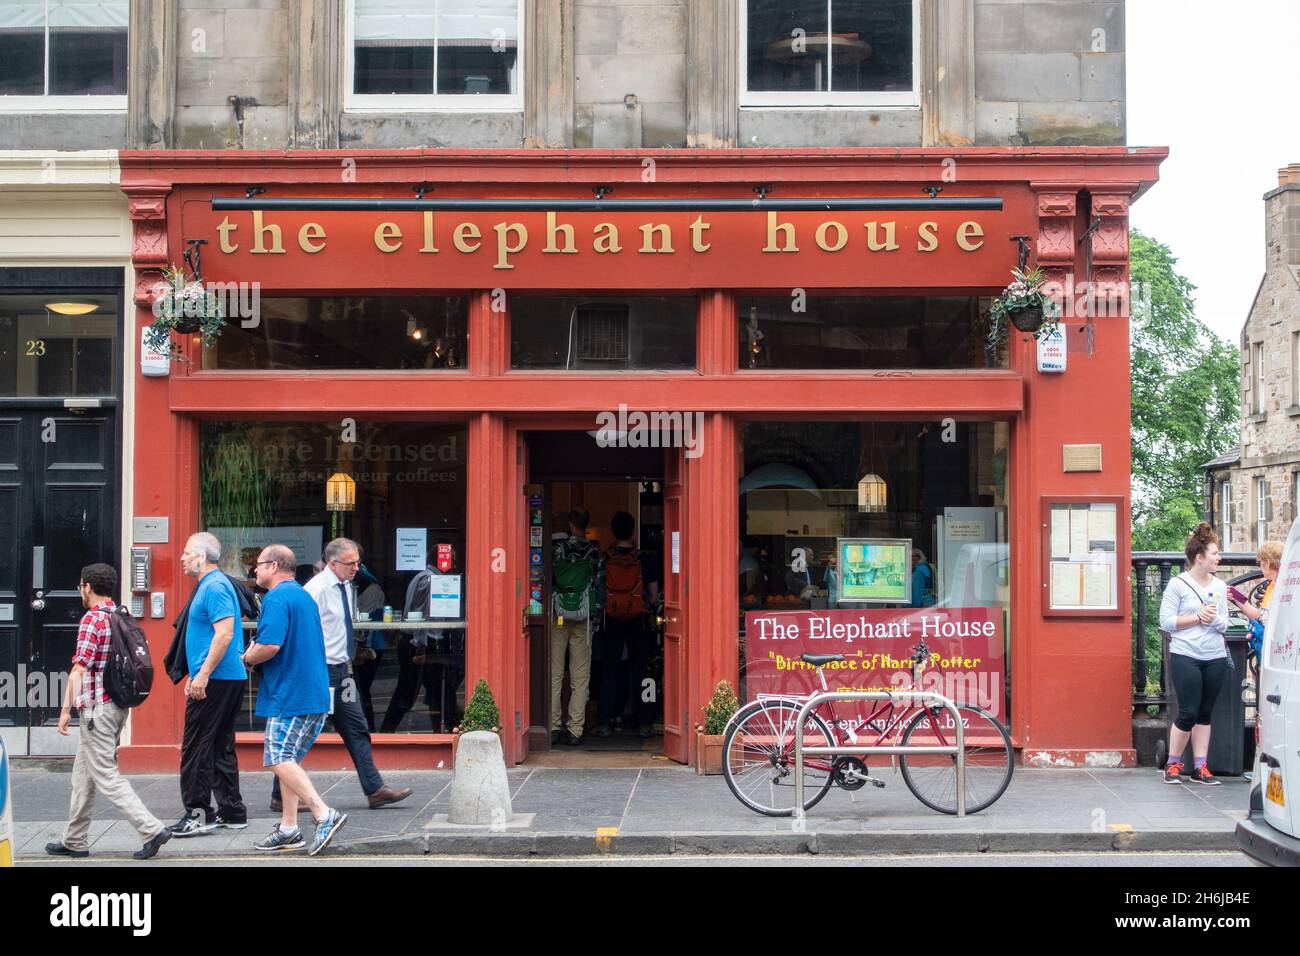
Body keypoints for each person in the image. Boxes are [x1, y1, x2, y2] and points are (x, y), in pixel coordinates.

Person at [271, 538, 412, 812]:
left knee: (357, 728)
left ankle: (374, 789)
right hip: (319, 671)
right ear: (332, 563)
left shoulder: (346, 586)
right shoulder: (315, 589)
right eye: (351, 563)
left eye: (358, 562)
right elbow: (298, 629)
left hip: (341, 671)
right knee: (301, 735)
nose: (356, 568)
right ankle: (279, 795)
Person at [45, 563, 171, 861]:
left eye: (80, 585)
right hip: (116, 707)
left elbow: (79, 667)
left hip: (95, 711)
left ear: (87, 586)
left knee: (105, 776)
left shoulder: (92, 620)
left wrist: (65, 710)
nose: (80, 590)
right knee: (83, 776)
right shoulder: (120, 615)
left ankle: (151, 829)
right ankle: (74, 840)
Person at [243, 545, 347, 855]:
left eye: (259, 565)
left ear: (273, 566)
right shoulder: (302, 595)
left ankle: (323, 813)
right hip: (311, 691)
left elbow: (270, 645)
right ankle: (289, 828)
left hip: (290, 692)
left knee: (277, 757)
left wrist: (246, 657)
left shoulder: (276, 597)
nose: (255, 571)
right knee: (289, 760)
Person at [168, 532, 249, 837]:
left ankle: (198, 815)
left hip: (215, 679)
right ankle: (232, 811)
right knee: (218, 746)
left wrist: (201, 674)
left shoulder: (214, 587)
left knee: (196, 748)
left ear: (201, 558)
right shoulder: (214, 585)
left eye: (187, 553)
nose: (182, 558)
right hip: (225, 677)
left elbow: (225, 633)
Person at [1158, 522, 1230, 785]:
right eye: (1214, 553)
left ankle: (1201, 766)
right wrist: (1197, 618)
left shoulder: (1220, 587)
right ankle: (1173, 763)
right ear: (1199, 557)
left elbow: (1224, 622)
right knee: (1188, 711)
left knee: (1205, 712)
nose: (1218, 557)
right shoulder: (1178, 584)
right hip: (1186, 653)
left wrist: (1213, 621)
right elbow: (1166, 621)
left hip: (1214, 655)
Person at [383, 543, 466, 733]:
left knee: (438, 691)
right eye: (450, 557)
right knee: (409, 692)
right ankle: (387, 732)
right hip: (422, 642)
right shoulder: (429, 580)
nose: (454, 561)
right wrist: (420, 644)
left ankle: (443, 731)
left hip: (424, 641)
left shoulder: (427, 577)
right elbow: (420, 614)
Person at [594, 511, 660, 738]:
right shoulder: (644, 559)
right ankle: (643, 722)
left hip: (611, 619)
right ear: (633, 530)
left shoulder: (606, 557)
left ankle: (604, 721)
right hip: (637, 619)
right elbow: (653, 594)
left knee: (609, 670)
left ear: (613, 531)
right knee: (640, 670)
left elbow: (600, 592)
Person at [550, 508, 605, 746]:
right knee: (580, 677)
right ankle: (575, 729)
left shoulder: (557, 550)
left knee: (554, 674)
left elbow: (547, 580)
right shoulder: (595, 553)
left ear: (571, 525)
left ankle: (552, 726)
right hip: (582, 619)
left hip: (559, 616)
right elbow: (600, 589)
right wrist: (594, 619)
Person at [1231, 540, 1282, 684]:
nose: (1260, 566)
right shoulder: (1272, 585)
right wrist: (1238, 598)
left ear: (1267, 562)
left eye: (1261, 563)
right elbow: (1261, 615)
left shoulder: (1284, 585)